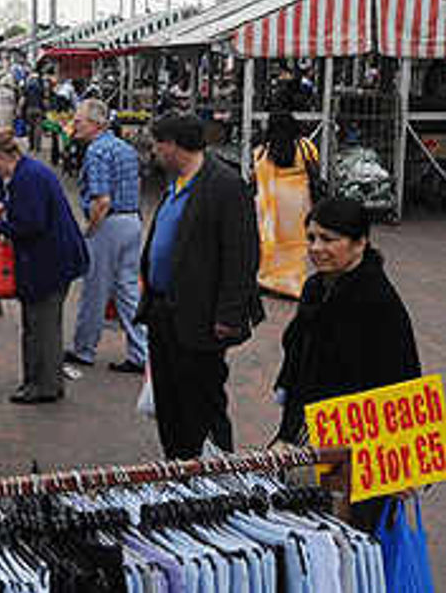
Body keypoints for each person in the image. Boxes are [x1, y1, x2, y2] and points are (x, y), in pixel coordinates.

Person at [272, 197, 421, 531]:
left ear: (360, 242)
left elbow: (401, 379)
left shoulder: (377, 301)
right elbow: (299, 368)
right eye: (311, 238)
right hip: (310, 431)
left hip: (356, 444)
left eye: (328, 239)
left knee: (345, 537)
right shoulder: (315, 288)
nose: (316, 248)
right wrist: (287, 432)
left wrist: (401, 466)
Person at [138, 112, 264, 460]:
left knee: (202, 400)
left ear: (174, 146)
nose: (154, 153)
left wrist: (229, 314)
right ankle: (176, 462)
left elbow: (242, 255)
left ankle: (212, 468)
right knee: (169, 398)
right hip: (164, 310)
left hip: (200, 315)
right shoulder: (176, 183)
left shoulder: (224, 186)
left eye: (157, 145)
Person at [0, 128, 89, 404]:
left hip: (47, 262)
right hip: (56, 259)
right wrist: (6, 207)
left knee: (40, 324)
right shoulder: (30, 171)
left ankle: (41, 385)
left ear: (0, 156)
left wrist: (1, 224)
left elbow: (30, 223)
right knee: (45, 324)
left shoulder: (26, 177)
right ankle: (48, 381)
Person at [67, 99, 149, 374]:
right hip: (132, 220)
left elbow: (101, 200)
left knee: (95, 288)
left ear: (95, 124)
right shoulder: (123, 147)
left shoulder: (97, 151)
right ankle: (142, 350)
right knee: (128, 289)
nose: (74, 125)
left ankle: (84, 348)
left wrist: (90, 228)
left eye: (79, 121)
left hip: (109, 224)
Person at [254, 111, 318, 298]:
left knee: (272, 241)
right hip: (299, 203)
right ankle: (295, 284)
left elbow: (256, 176)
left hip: (271, 204)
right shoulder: (305, 146)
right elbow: (315, 166)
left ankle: (270, 281)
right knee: (298, 244)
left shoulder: (262, 151)